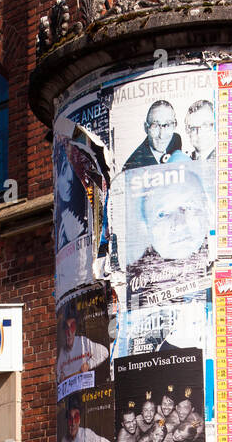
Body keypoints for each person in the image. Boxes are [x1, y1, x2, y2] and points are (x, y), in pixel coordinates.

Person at [127, 158, 210, 300]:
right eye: (162, 214)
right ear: (145, 227)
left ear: (207, 210)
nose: (179, 224)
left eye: (188, 207)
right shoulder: (129, 288)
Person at [123, 100, 182, 170]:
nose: (162, 135)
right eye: (155, 125)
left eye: (168, 124)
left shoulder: (175, 139)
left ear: (174, 125)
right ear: (146, 128)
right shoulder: (133, 167)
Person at [56, 312, 108, 384]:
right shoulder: (62, 351)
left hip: (84, 387)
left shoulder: (82, 341)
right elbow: (57, 372)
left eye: (72, 327)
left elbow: (104, 352)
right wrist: (60, 377)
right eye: (66, 328)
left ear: (76, 329)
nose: (69, 333)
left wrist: (89, 364)